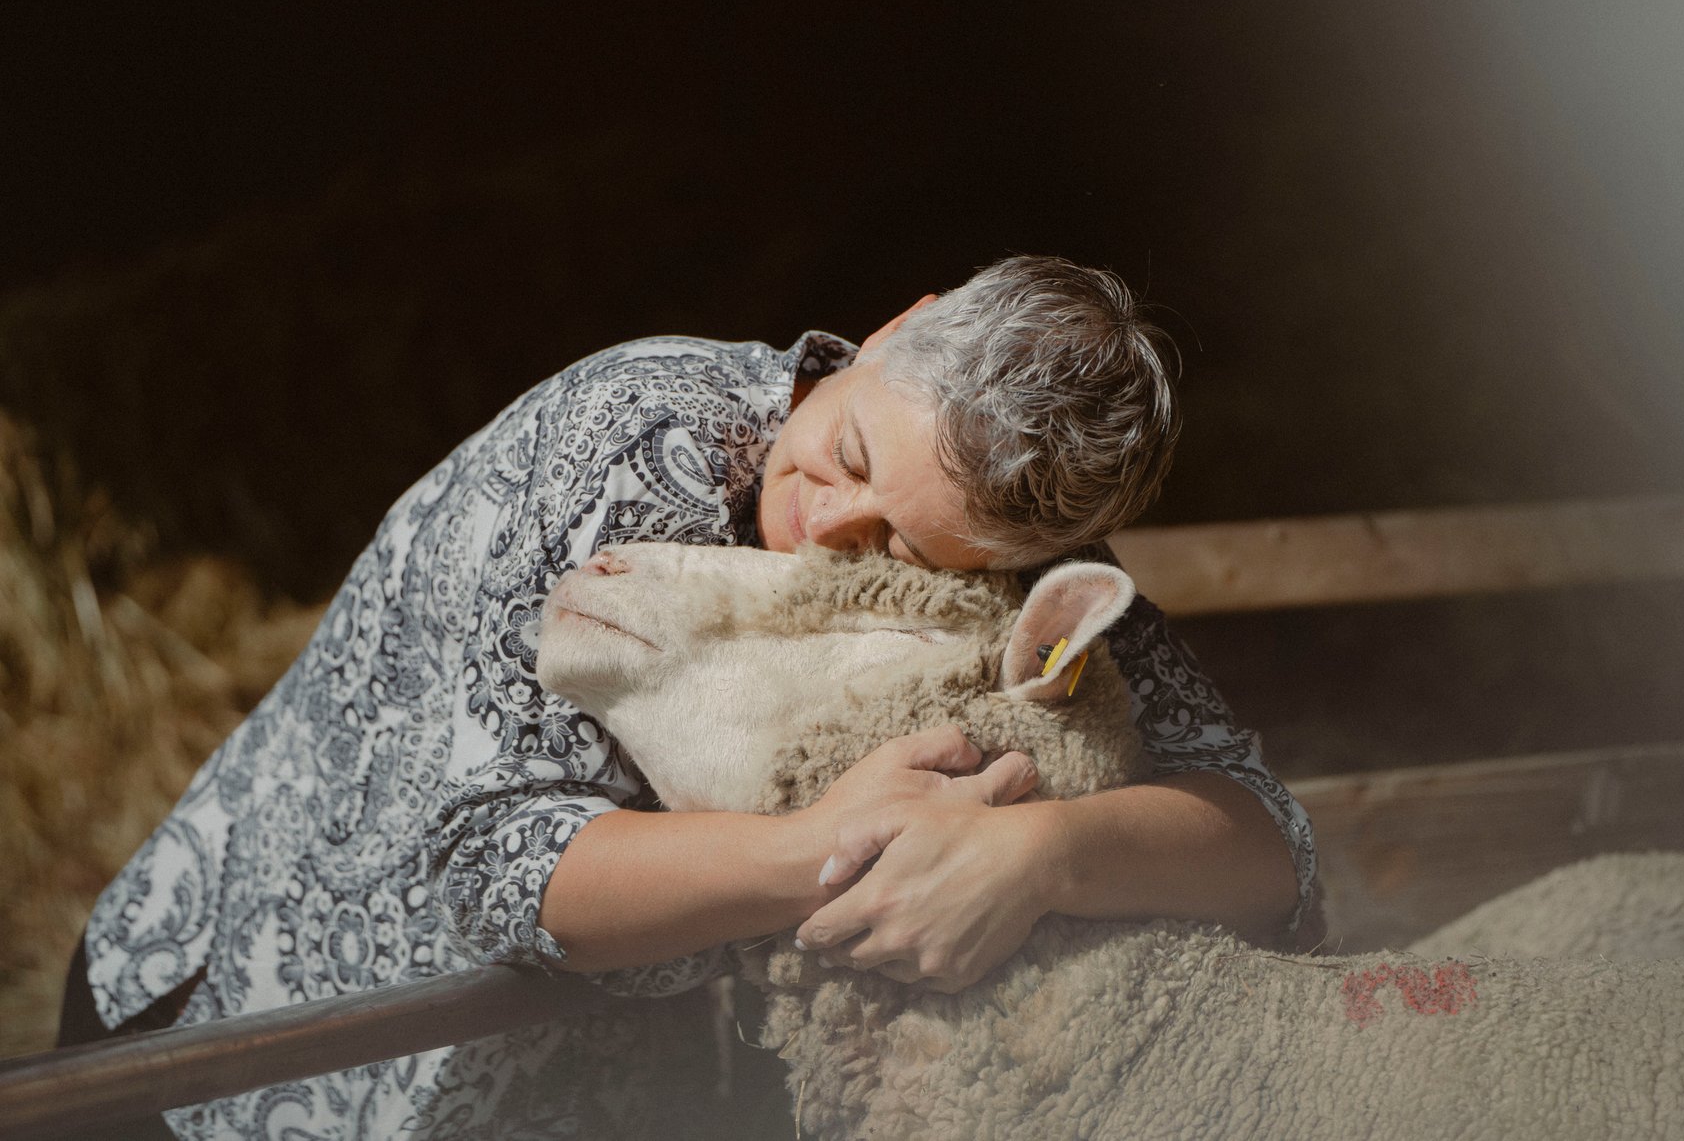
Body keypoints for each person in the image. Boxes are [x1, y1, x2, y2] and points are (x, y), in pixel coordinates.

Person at [64, 255, 1316, 1139]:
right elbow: (496, 867)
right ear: (897, 326)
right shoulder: (632, 437)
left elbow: (1269, 838)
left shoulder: (1010, 550)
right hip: (265, 1052)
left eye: (904, 552)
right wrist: (834, 846)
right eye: (849, 454)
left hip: (606, 1102)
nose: (824, 522)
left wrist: (1041, 852)